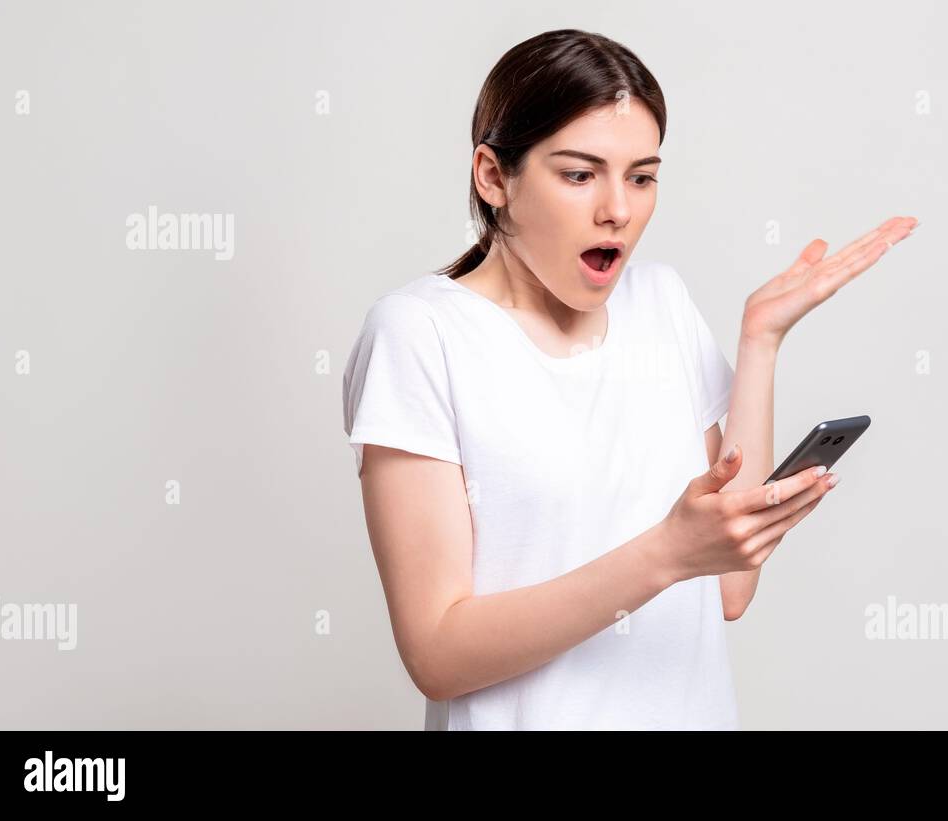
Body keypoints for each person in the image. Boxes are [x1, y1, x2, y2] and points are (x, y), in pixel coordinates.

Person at [342, 28, 917, 730]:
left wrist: (761, 340)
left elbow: (729, 589)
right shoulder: (419, 334)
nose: (618, 208)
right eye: (579, 174)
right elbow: (437, 651)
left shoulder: (661, 302)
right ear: (493, 177)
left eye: (641, 176)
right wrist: (665, 554)